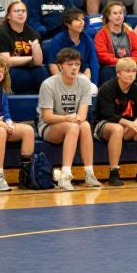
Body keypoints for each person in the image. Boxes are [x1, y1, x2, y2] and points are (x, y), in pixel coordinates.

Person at [37, 48, 100, 191]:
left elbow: (83, 115)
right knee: (74, 126)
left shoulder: (84, 82)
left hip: (73, 123)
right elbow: (47, 117)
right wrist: (67, 118)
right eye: (70, 64)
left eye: (77, 64)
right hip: (48, 126)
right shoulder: (48, 84)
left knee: (84, 126)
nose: (74, 68)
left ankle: (89, 173)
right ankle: (65, 175)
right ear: (60, 66)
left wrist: (75, 119)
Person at [94, 56, 137, 186]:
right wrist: (130, 124)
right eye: (127, 71)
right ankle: (113, 172)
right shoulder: (107, 88)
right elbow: (108, 114)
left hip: (127, 127)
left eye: (133, 71)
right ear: (118, 73)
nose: (131, 74)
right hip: (104, 125)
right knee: (117, 129)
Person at [0, 53, 36, 191]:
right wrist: (4, 125)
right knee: (1, 130)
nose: (0, 75)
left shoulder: (0, 88)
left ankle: (26, 177)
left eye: (3, 71)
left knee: (28, 130)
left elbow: (5, 111)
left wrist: (9, 123)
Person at [0, 0, 45, 93]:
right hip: (8, 69)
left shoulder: (32, 32)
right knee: (19, 76)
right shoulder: (0, 33)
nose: (21, 13)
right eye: (16, 11)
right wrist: (31, 59)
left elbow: (38, 61)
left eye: (23, 11)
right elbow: (6, 61)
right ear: (8, 16)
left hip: (28, 68)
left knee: (42, 71)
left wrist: (35, 48)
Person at [94, 0, 137, 88]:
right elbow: (102, 55)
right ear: (108, 16)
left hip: (129, 65)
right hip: (111, 67)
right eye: (115, 13)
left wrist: (129, 62)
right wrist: (120, 63)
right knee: (107, 72)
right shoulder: (101, 34)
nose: (119, 15)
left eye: (121, 13)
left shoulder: (131, 33)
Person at [45, 8, 99, 83]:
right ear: (67, 24)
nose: (82, 22)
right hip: (63, 79)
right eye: (77, 20)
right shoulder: (57, 40)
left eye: (82, 19)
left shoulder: (87, 39)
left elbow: (93, 62)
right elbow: (53, 65)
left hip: (82, 79)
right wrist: (63, 83)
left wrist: (92, 83)